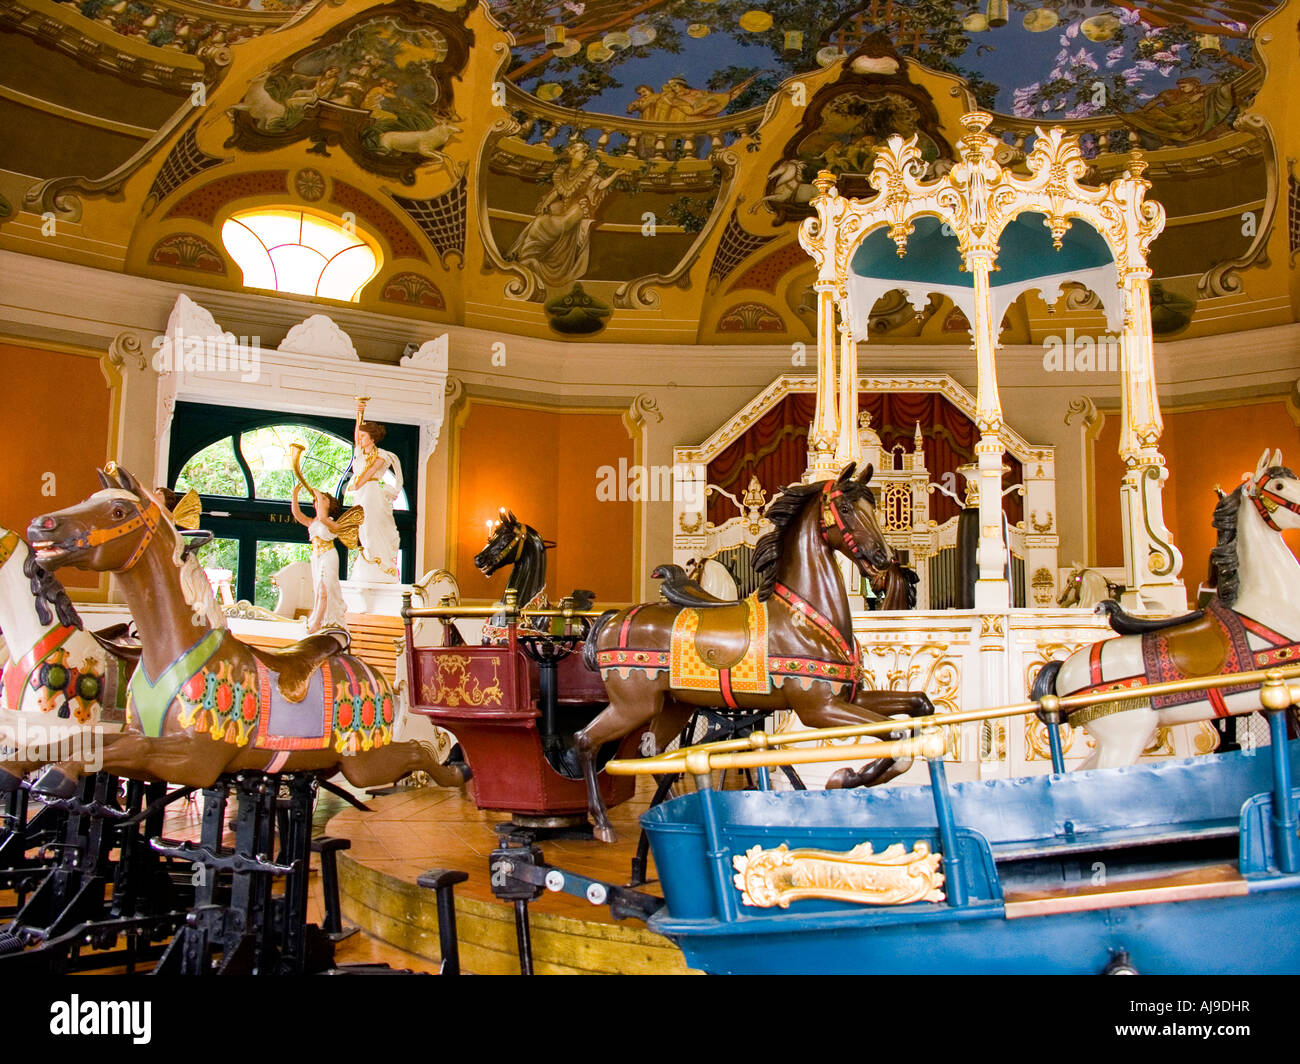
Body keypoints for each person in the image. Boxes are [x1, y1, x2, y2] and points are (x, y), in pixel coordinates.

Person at [505, 139, 618, 289]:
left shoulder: (589, 170)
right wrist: (545, 204)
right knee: (540, 220)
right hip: (564, 205)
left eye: (585, 151)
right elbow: (558, 190)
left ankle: (532, 256)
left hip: (579, 206)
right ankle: (526, 255)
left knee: (559, 224)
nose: (584, 154)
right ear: (572, 153)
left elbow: (600, 185)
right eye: (581, 151)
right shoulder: (563, 172)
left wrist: (615, 175)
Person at [351, 401, 403, 583]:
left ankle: (378, 561)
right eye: (360, 436)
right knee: (363, 529)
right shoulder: (360, 453)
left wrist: (357, 483)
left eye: (364, 436)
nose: (360, 439)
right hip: (361, 492)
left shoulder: (381, 455)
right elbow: (356, 434)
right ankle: (368, 557)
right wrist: (360, 413)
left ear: (372, 438)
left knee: (372, 525)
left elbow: (371, 470)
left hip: (372, 492)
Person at [290, 485, 349, 633]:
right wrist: (295, 495)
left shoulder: (330, 522)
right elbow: (297, 514)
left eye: (323, 499)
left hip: (328, 555)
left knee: (325, 588)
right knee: (318, 589)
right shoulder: (312, 522)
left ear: (329, 504)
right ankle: (319, 619)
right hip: (316, 557)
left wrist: (316, 491)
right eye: (317, 500)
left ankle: (318, 622)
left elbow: (322, 516)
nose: (319, 501)